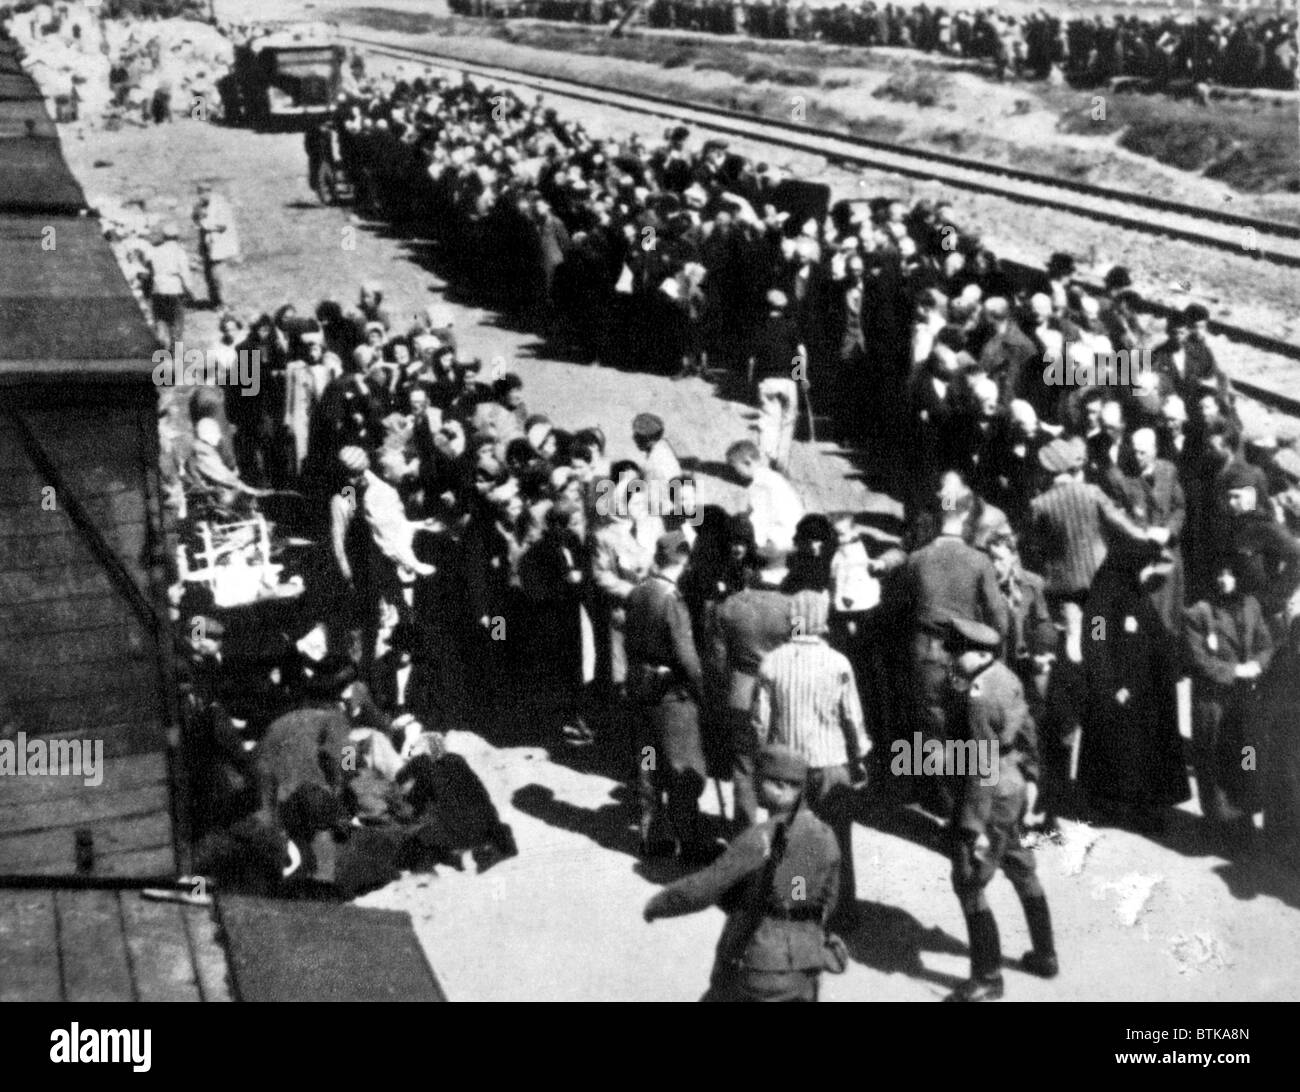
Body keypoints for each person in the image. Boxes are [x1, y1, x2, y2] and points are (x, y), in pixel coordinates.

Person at [643, 743, 842, 1003]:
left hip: (762, 965)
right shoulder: (826, 836)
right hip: (807, 967)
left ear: (783, 787)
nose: (754, 786)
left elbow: (703, 888)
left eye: (760, 780)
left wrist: (657, 906)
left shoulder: (761, 837)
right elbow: (829, 900)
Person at [942, 617, 1057, 1003]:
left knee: (969, 880)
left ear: (979, 653)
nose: (950, 657)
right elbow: (1027, 728)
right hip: (1014, 786)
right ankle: (1045, 955)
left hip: (990, 796)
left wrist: (971, 826)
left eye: (956, 651)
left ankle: (988, 978)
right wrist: (1034, 776)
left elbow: (980, 765)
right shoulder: (1006, 676)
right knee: (1020, 865)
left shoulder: (978, 696)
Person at [752, 589, 869, 929]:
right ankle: (841, 912)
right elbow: (852, 718)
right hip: (831, 766)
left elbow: (760, 722)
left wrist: (763, 759)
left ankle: (796, 906)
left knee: (789, 841)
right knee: (837, 842)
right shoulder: (838, 663)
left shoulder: (772, 662)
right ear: (822, 620)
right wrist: (859, 757)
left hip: (786, 768)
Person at [624, 530, 716, 863]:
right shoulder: (671, 599)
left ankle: (651, 838)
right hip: (671, 695)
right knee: (683, 769)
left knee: (648, 764)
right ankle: (689, 843)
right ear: (684, 559)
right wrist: (702, 691)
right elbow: (687, 657)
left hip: (639, 687)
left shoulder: (638, 591)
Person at [1183, 556, 1272, 853]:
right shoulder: (1199, 612)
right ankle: (1218, 826)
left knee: (1246, 758)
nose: (1224, 579)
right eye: (1218, 574)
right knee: (1213, 761)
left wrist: (1257, 666)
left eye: (1229, 573)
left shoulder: (1251, 605)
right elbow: (1199, 660)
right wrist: (1235, 671)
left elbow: (1264, 645)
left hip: (1244, 701)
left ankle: (1244, 817)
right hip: (1213, 704)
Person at [712, 542, 793, 830]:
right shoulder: (791, 608)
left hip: (741, 692)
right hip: (781, 696)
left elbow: (718, 663)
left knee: (743, 767)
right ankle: (779, 832)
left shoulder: (729, 606)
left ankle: (744, 836)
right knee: (781, 769)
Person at [726, 440, 804, 552]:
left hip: (781, 538)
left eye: (736, 468)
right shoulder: (771, 476)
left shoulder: (760, 484)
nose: (736, 472)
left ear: (748, 462)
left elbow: (760, 519)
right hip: (791, 532)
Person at [192, 182, 240, 309]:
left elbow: (222, 226)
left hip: (219, 245)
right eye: (200, 194)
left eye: (204, 194)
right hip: (207, 245)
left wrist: (204, 224)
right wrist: (198, 217)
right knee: (209, 275)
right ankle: (215, 301)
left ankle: (225, 302)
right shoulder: (200, 205)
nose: (202, 197)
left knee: (219, 275)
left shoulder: (220, 204)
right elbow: (195, 217)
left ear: (209, 192)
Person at [147, 222, 192, 344]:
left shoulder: (155, 251)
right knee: (176, 321)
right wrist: (189, 290)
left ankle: (161, 344)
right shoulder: (179, 251)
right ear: (177, 237)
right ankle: (176, 351)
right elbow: (185, 273)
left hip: (158, 287)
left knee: (160, 318)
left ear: (164, 237)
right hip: (174, 288)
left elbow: (150, 269)